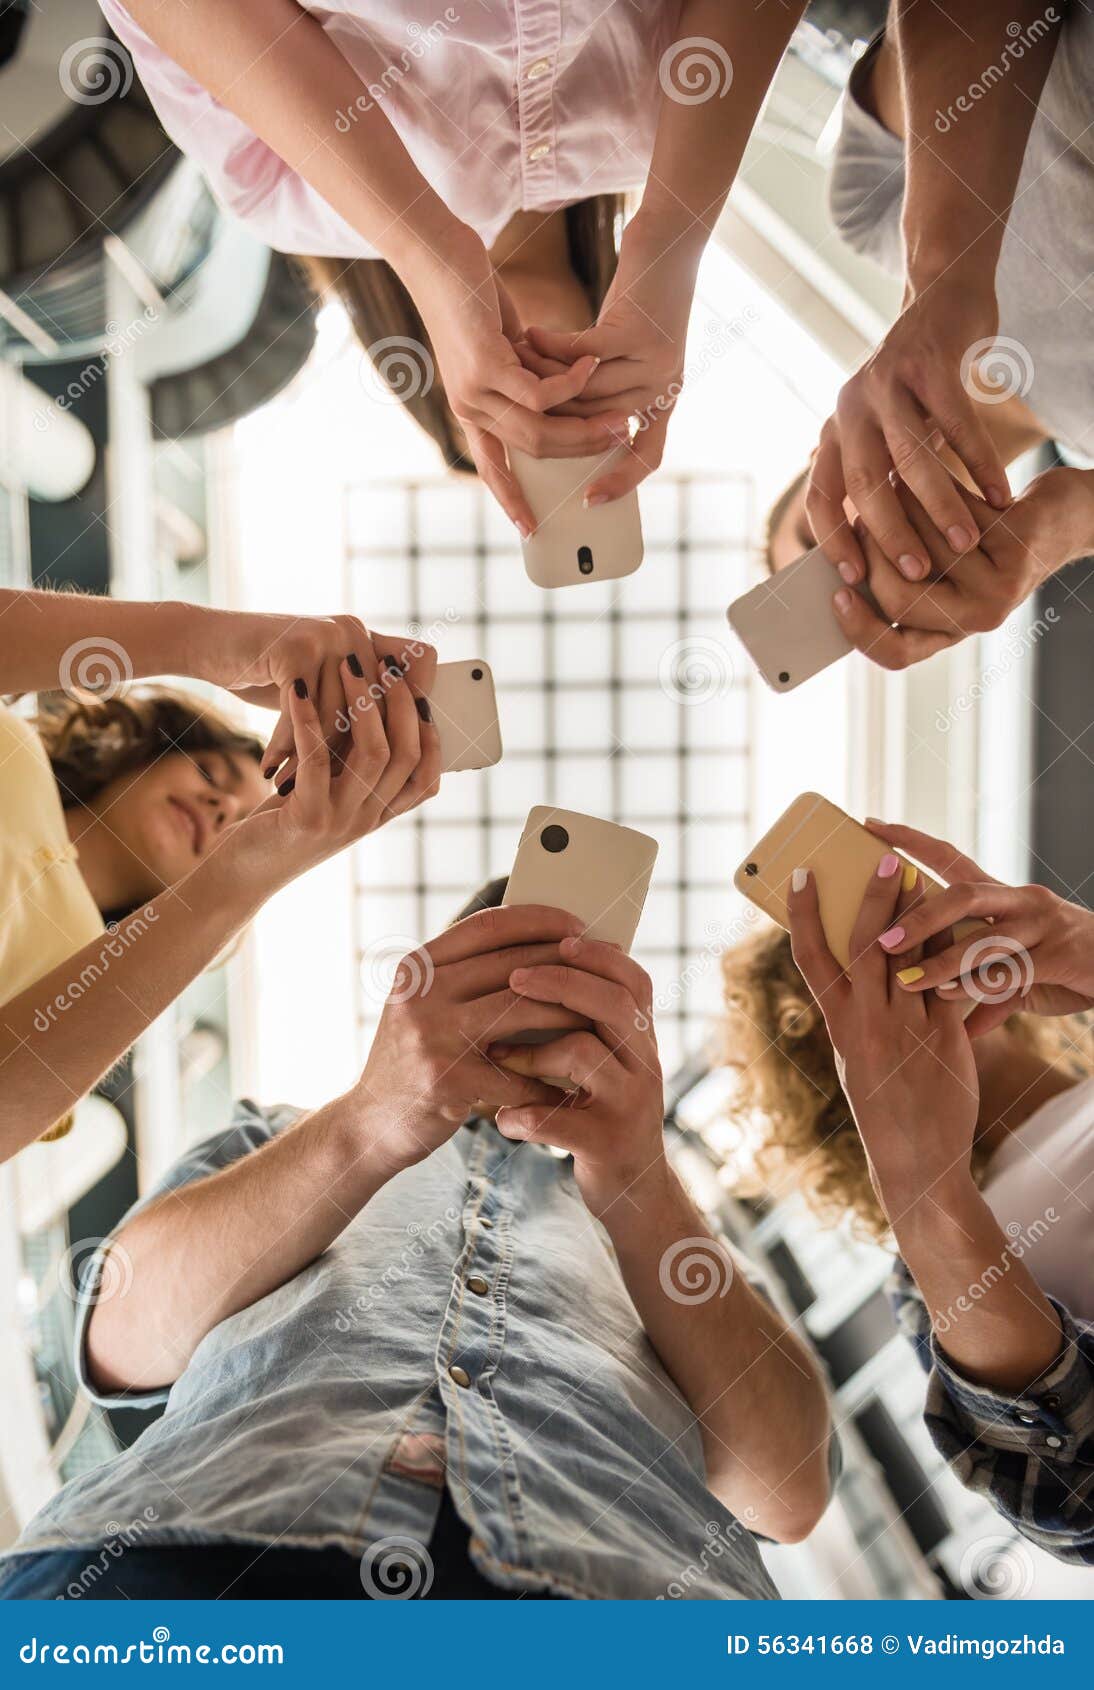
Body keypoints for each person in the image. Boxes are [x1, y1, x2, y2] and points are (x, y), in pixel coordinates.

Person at [0, 892, 834, 1600]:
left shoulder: (680, 1223)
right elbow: (121, 1339)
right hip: (182, 1558)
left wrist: (639, 1184)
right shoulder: (277, 1134)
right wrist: (371, 1123)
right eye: (497, 978)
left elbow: (785, 1489)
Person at [104, 0, 809, 529]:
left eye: (499, 419)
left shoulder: (284, 197)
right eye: (573, 433)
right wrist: (669, 242)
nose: (537, 401)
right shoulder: (675, 142)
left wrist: (428, 248)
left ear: (433, 376)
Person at [720, 820, 1094, 1563]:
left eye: (890, 928)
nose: (886, 962)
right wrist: (923, 1190)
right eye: (834, 982)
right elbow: (1075, 1497)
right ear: (823, 1068)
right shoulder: (925, 1277)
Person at [0, 586, 439, 1161]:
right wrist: (202, 640)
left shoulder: (91, 992)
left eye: (239, 823)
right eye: (210, 773)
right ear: (148, 754)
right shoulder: (18, 739)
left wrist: (248, 870)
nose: (219, 808)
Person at [768, 2, 1094, 671]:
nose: (862, 549)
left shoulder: (874, 211)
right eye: (859, 590)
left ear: (822, 460)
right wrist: (1074, 521)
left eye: (818, 536)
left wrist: (944, 274)